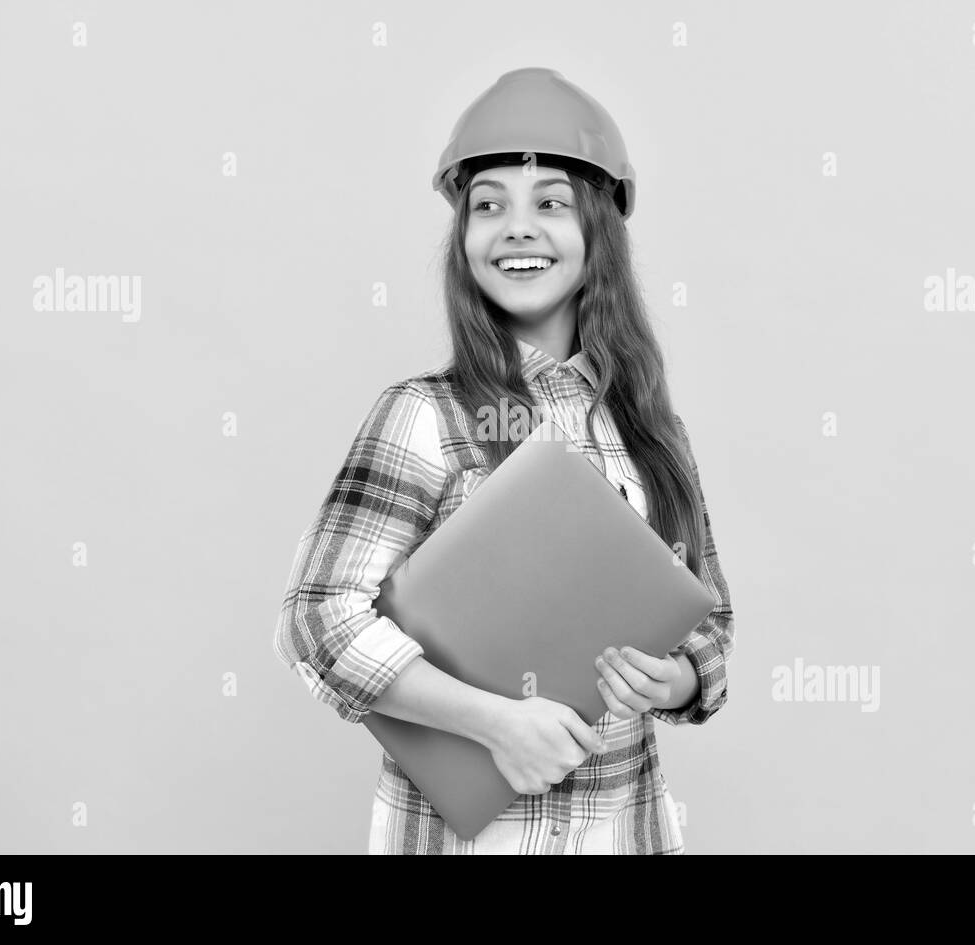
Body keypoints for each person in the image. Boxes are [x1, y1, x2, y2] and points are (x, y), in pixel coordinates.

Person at [273, 67, 734, 854]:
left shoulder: (653, 430)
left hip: (624, 832)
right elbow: (315, 619)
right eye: (488, 207)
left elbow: (711, 623)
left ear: (599, 232)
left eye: (550, 203)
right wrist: (495, 723)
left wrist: (681, 679)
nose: (516, 228)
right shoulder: (424, 415)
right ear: (463, 240)